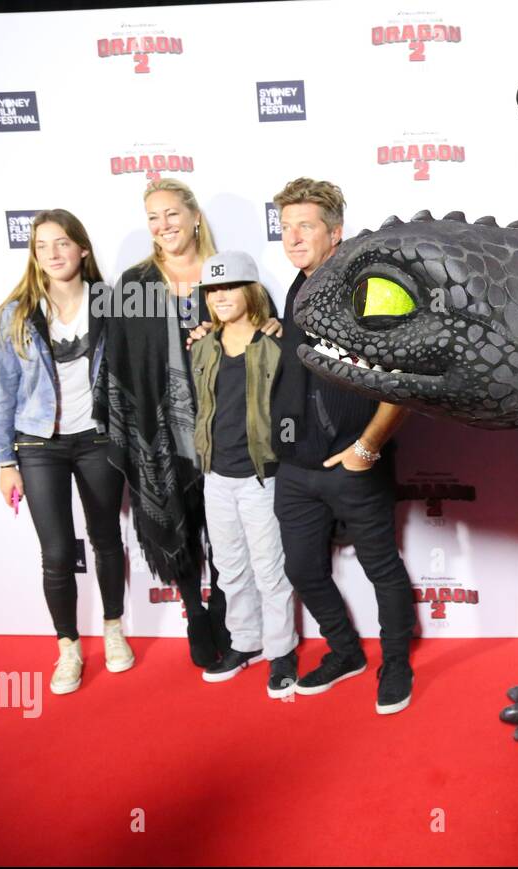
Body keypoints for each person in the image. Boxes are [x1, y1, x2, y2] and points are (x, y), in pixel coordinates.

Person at [95, 178, 257, 668]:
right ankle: (193, 611)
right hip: (160, 429)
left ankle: (226, 609)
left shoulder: (223, 272)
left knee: (227, 530)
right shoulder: (134, 283)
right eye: (153, 217)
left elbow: (257, 327)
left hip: (222, 422)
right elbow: (118, 357)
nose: (164, 225)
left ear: (194, 218)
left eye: (171, 214)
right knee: (178, 522)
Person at [271, 177, 416, 713]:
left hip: (356, 463)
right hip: (297, 466)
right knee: (303, 569)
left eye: (304, 226)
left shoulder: (369, 287)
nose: (292, 237)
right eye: (285, 228)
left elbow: (403, 375)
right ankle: (346, 652)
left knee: (382, 569)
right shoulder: (293, 288)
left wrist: (368, 448)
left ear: (335, 232)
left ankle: (396, 663)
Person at [0, 209, 133, 695]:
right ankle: (67, 647)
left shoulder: (113, 303)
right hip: (37, 444)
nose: (53, 254)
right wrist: (4, 460)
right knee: (54, 552)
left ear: (82, 249)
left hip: (97, 438)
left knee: (106, 537)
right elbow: (1, 392)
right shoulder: (16, 314)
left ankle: (114, 629)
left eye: (63, 244)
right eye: (42, 245)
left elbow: (143, 361)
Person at [190, 251, 299, 696]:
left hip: (262, 476)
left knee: (270, 571)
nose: (219, 297)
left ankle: (281, 651)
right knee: (229, 569)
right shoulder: (201, 345)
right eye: (212, 290)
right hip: (216, 476)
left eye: (228, 287)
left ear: (250, 290)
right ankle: (245, 642)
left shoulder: (276, 341)